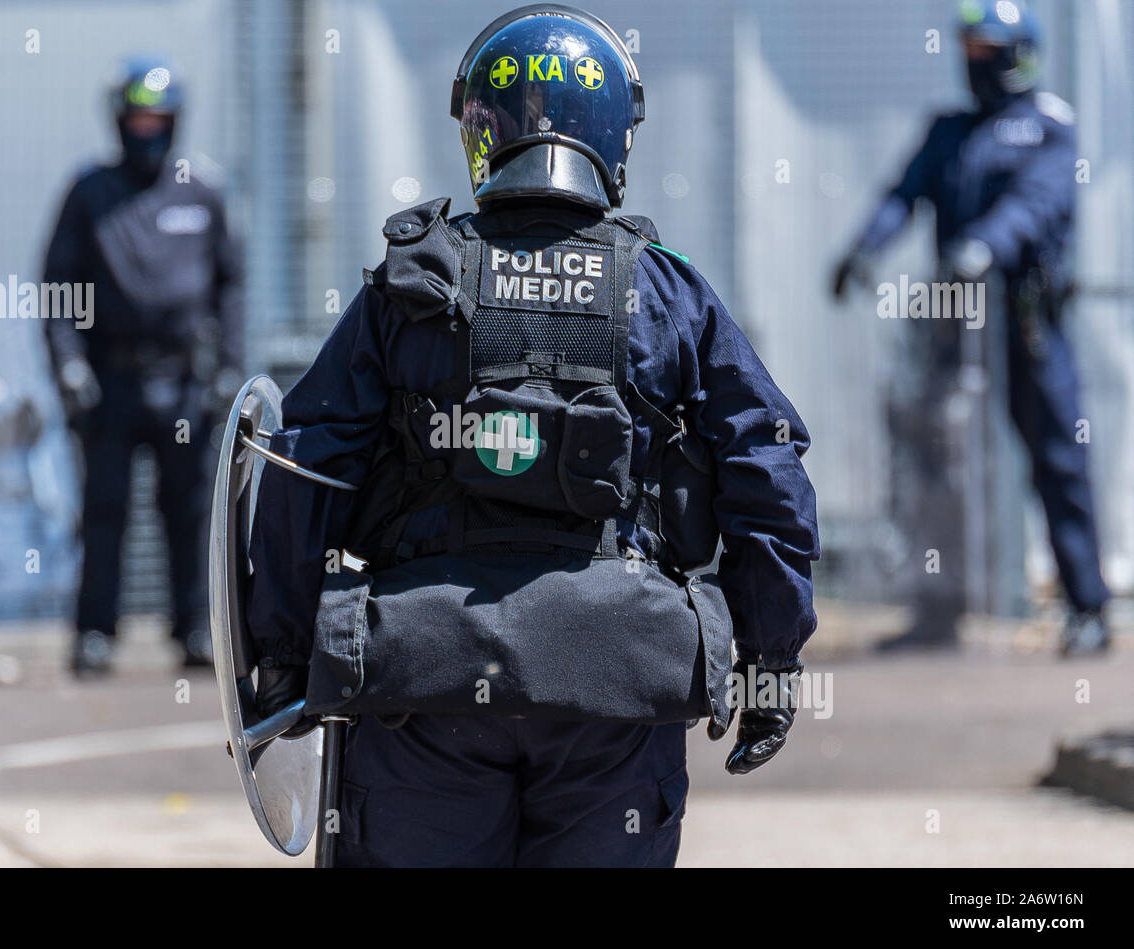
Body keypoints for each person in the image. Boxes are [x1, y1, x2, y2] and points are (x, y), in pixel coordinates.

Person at [246, 4, 819, 867]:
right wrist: (770, 656)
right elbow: (765, 463)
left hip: (421, 687)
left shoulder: (409, 281)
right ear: (615, 133)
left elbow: (304, 464)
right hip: (616, 693)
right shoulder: (666, 293)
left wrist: (281, 660)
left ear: (483, 128)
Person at [832, 0, 1109, 656]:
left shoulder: (1048, 127)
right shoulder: (949, 130)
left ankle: (1087, 608)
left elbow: (1037, 204)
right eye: (970, 53)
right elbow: (903, 193)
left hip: (1025, 323)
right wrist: (864, 248)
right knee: (936, 459)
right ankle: (940, 604)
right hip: (953, 324)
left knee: (1059, 459)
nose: (976, 65)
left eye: (989, 52)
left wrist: (983, 247)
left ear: (1018, 55)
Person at [43, 57, 244, 676]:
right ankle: (95, 634)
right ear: (119, 122)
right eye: (137, 120)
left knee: (188, 512)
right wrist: (69, 367)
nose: (147, 132)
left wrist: (228, 368)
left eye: (158, 121)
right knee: (104, 511)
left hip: (184, 383)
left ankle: (194, 632)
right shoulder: (90, 193)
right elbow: (56, 289)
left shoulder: (202, 191)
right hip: (112, 383)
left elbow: (231, 285)